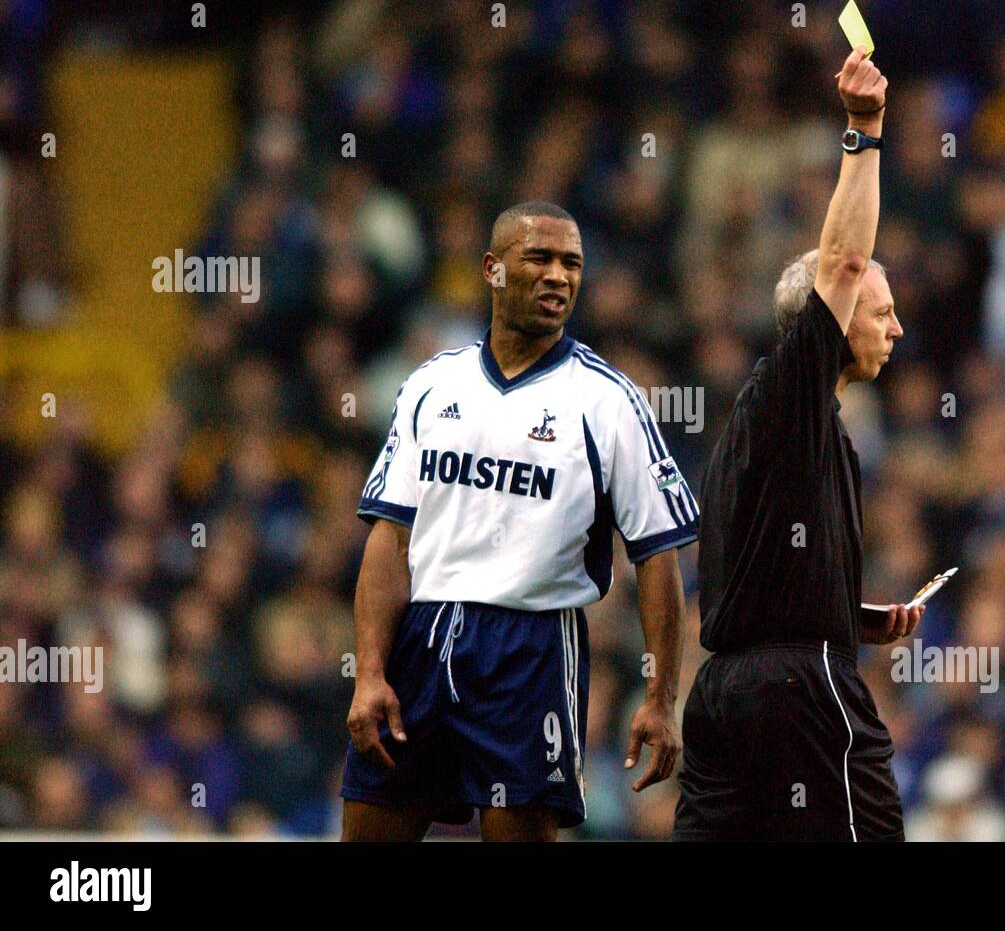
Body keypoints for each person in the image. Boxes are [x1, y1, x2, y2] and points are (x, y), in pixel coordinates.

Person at [341, 201, 697, 841]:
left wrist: (661, 696)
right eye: (540, 258)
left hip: (530, 649)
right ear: (492, 269)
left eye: (572, 264)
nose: (559, 276)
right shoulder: (430, 385)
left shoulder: (609, 401)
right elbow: (389, 539)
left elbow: (658, 555)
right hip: (420, 641)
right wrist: (368, 672)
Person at [674, 49, 922, 842]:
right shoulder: (790, 390)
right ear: (833, 316)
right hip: (799, 690)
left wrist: (849, 614)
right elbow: (846, 257)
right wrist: (865, 128)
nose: (896, 327)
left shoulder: (776, 427)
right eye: (880, 311)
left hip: (723, 696)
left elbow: (751, 574)